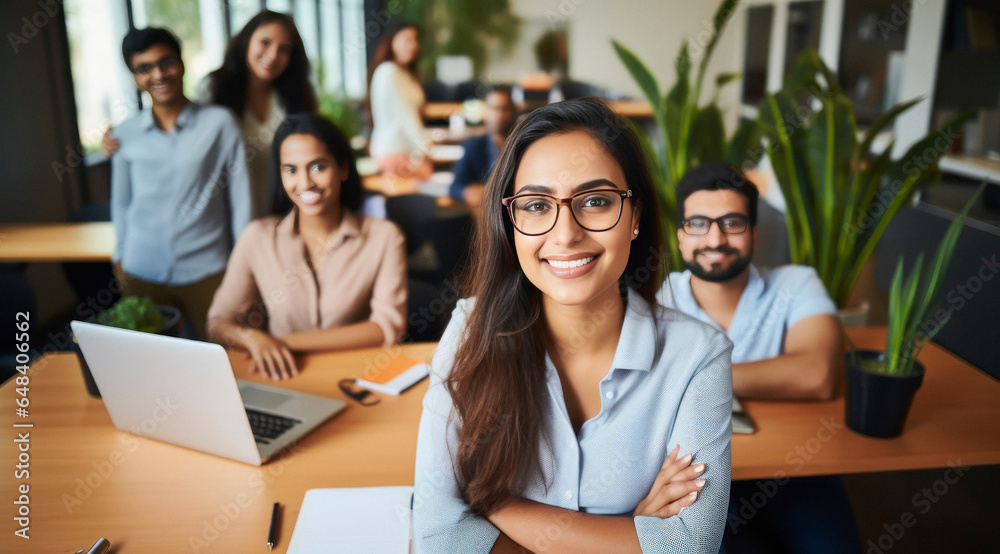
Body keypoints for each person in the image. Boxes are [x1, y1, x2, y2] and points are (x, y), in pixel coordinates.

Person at [413, 98, 733, 552]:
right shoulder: (470, 328)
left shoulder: (698, 354)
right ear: (511, 221)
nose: (565, 235)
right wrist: (633, 531)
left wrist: (491, 503)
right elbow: (439, 536)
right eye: (536, 205)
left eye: (596, 201)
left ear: (635, 217)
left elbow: (690, 545)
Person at [659, 163, 860, 553]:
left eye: (732, 223)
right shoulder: (658, 303)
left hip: (796, 471)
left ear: (753, 233)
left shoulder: (797, 283)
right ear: (681, 237)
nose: (715, 238)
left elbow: (816, 375)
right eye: (698, 224)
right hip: (697, 477)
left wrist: (690, 377)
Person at [207, 113, 407, 380]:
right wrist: (251, 338)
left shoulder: (384, 237)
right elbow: (218, 323)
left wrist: (283, 343)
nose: (305, 183)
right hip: (282, 376)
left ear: (343, 169)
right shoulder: (258, 237)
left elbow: (387, 328)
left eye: (318, 167)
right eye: (291, 170)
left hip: (357, 376)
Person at [106, 10, 318, 218]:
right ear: (246, 41)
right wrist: (123, 137)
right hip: (227, 213)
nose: (272, 55)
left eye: (284, 49)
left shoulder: (296, 98)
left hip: (285, 211)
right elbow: (182, 124)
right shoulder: (214, 89)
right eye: (265, 43)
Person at [110, 27, 251, 341]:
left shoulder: (220, 123)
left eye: (166, 62)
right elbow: (121, 202)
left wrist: (243, 262)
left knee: (223, 355)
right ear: (135, 78)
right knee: (149, 361)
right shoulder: (124, 134)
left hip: (208, 268)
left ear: (181, 63)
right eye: (145, 68)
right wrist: (119, 255)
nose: (158, 74)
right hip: (140, 269)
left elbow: (240, 197)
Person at [366, 22, 432, 179]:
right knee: (427, 176)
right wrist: (427, 149)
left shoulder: (406, 74)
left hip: (408, 150)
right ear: (392, 42)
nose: (413, 45)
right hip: (393, 151)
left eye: (415, 40)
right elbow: (407, 117)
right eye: (407, 40)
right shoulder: (388, 72)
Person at [448, 86, 517, 208]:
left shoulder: (520, 146)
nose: (499, 115)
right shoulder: (474, 146)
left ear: (513, 113)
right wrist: (468, 192)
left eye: (504, 109)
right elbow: (455, 187)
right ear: (486, 113)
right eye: (494, 108)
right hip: (485, 206)